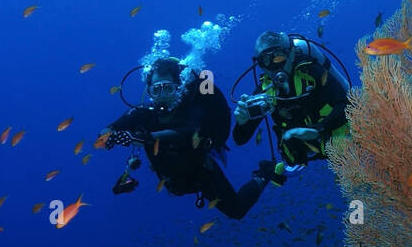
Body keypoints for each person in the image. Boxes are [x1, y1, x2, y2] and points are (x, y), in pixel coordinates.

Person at [97, 56, 271, 219]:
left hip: (202, 175)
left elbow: (188, 133)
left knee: (237, 211)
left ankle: (264, 174)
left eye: (168, 87)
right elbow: (105, 132)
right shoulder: (142, 113)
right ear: (149, 91)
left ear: (178, 87)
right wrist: (109, 138)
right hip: (172, 182)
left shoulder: (191, 109)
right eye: (156, 89)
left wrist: (143, 137)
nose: (163, 94)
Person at [232, 32, 350, 181]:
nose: (274, 66)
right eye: (266, 60)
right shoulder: (266, 91)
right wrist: (241, 123)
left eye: (279, 56)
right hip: (301, 153)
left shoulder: (313, 73)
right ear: (260, 65)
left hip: (334, 139)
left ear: (291, 54)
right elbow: (239, 139)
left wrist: (319, 128)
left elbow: (345, 103)